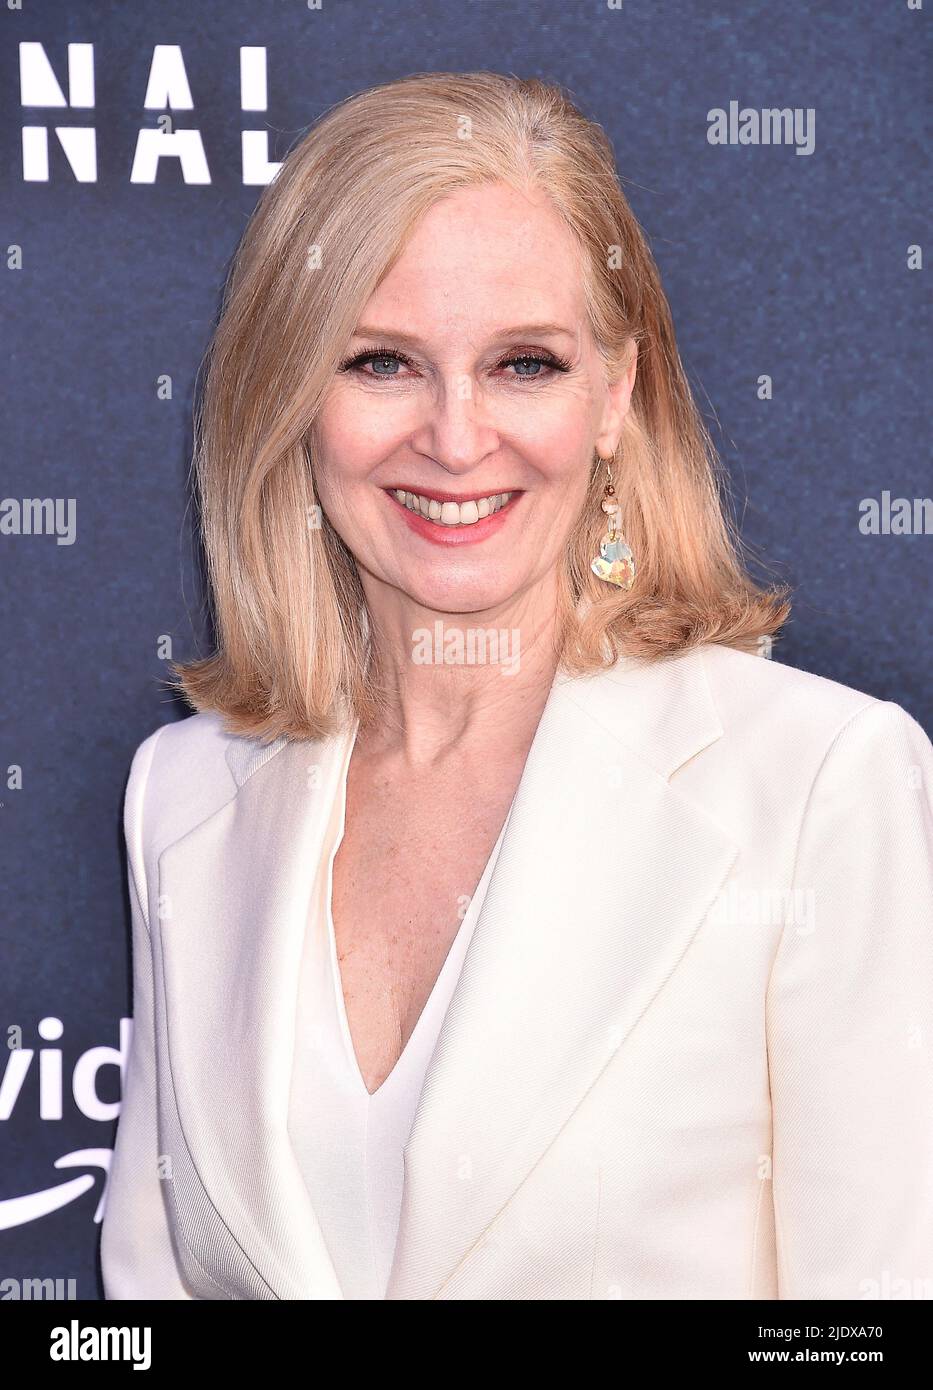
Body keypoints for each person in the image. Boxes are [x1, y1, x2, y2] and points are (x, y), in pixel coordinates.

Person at [100, 71, 933, 1301]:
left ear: (616, 397)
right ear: (292, 397)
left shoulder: (817, 787)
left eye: (524, 365)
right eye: (382, 361)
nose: (453, 435)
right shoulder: (185, 792)